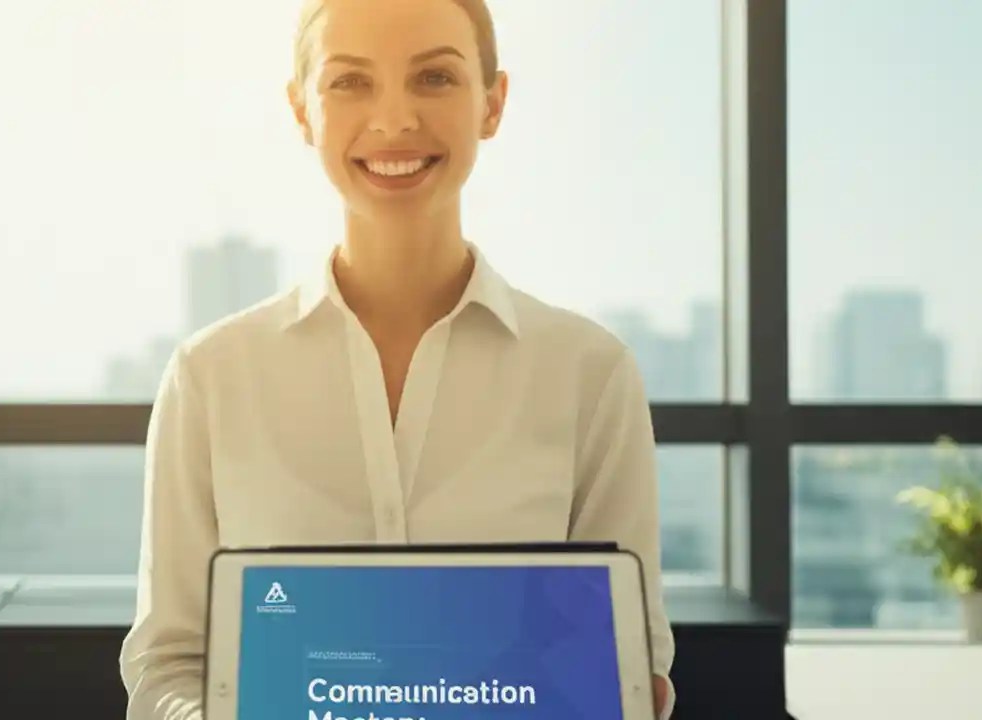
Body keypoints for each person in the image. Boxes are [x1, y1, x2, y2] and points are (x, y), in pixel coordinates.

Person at [119, 0, 675, 717]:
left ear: (492, 102)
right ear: (301, 111)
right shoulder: (211, 377)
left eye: (435, 78)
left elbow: (631, 656)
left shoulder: (590, 375)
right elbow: (169, 664)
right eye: (350, 82)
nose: (393, 121)